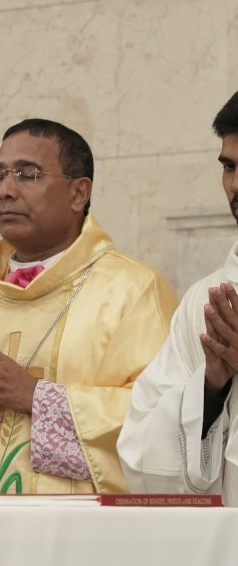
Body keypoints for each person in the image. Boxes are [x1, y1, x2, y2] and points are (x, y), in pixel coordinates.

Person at [0, 120, 176, 496]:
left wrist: (35, 397)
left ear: (78, 193)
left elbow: (164, 423)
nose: (5, 191)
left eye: (26, 174)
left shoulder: (133, 291)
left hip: (75, 540)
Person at [119, 92, 238, 504]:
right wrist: (211, 386)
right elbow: (138, 453)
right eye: (229, 166)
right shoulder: (203, 301)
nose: (236, 184)